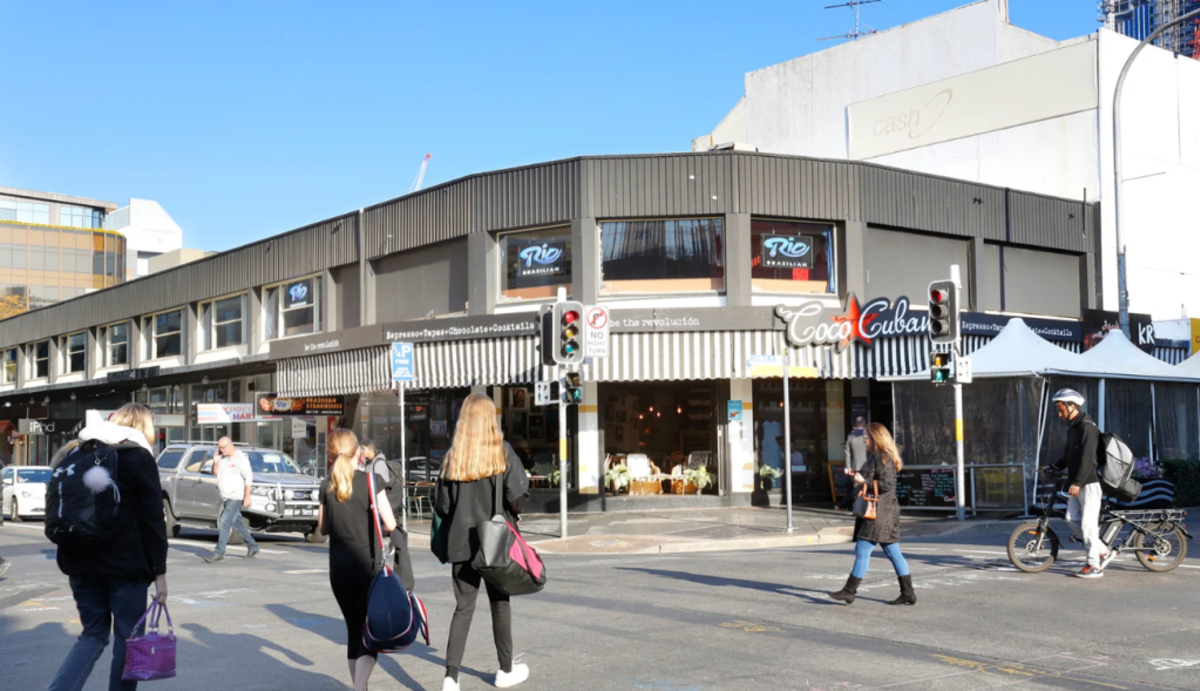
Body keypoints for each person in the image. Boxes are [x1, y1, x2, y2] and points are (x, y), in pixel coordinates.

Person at [48, 403, 169, 691]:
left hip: (79, 559)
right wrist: (159, 572)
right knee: (130, 639)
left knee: (93, 633)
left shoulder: (76, 452)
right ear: (144, 427)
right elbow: (153, 519)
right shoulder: (138, 456)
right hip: (125, 565)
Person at [435, 393, 531, 691]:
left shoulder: (453, 456)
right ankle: (504, 670)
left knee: (463, 608)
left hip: (461, 543)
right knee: (500, 605)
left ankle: (451, 678)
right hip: (495, 543)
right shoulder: (502, 452)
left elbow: (442, 506)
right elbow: (517, 498)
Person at [318, 428, 398, 691]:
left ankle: (359, 687)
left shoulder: (326, 485)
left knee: (354, 630)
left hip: (339, 571)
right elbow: (390, 523)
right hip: (368, 567)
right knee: (370, 633)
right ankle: (359, 687)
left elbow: (323, 528)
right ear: (358, 451)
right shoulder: (371, 481)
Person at [828, 422, 916, 606]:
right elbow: (868, 481)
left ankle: (849, 591)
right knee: (893, 552)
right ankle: (907, 592)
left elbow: (887, 485)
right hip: (883, 513)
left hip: (880, 513)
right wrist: (846, 499)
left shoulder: (884, 459)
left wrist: (864, 481)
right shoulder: (877, 457)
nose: (864, 441)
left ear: (876, 439)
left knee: (863, 549)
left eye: (867, 437)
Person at [1045, 388, 1108, 578]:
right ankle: (1102, 549)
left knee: (1088, 525)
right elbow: (1069, 456)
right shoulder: (1073, 427)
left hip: (1088, 483)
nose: (1059, 413)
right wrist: (1054, 466)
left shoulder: (1087, 427)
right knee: (1071, 519)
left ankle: (1094, 565)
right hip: (1077, 482)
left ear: (1072, 406)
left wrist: (1078, 482)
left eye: (1061, 409)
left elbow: (1088, 459)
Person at [357, 439, 414, 590]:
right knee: (398, 540)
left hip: (385, 510)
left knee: (391, 538)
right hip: (385, 510)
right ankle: (402, 581)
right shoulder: (372, 463)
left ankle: (395, 580)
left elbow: (380, 489)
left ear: (370, 450)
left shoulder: (379, 464)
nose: (361, 452)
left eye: (362, 449)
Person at [204, 436, 259, 563]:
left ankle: (219, 552)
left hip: (236, 496)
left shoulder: (240, 458)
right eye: (220, 448)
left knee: (224, 522)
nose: (221, 450)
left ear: (230, 444)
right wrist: (216, 462)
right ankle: (253, 546)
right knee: (237, 522)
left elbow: (248, 476)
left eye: (223, 447)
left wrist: (247, 496)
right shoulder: (223, 458)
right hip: (226, 496)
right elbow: (215, 472)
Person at [835, 417, 868, 511]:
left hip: (855, 466)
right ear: (864, 423)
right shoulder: (869, 435)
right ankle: (853, 505)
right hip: (867, 466)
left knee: (856, 487)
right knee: (861, 487)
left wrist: (848, 466)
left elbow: (847, 453)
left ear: (856, 424)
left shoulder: (851, 436)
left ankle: (848, 505)